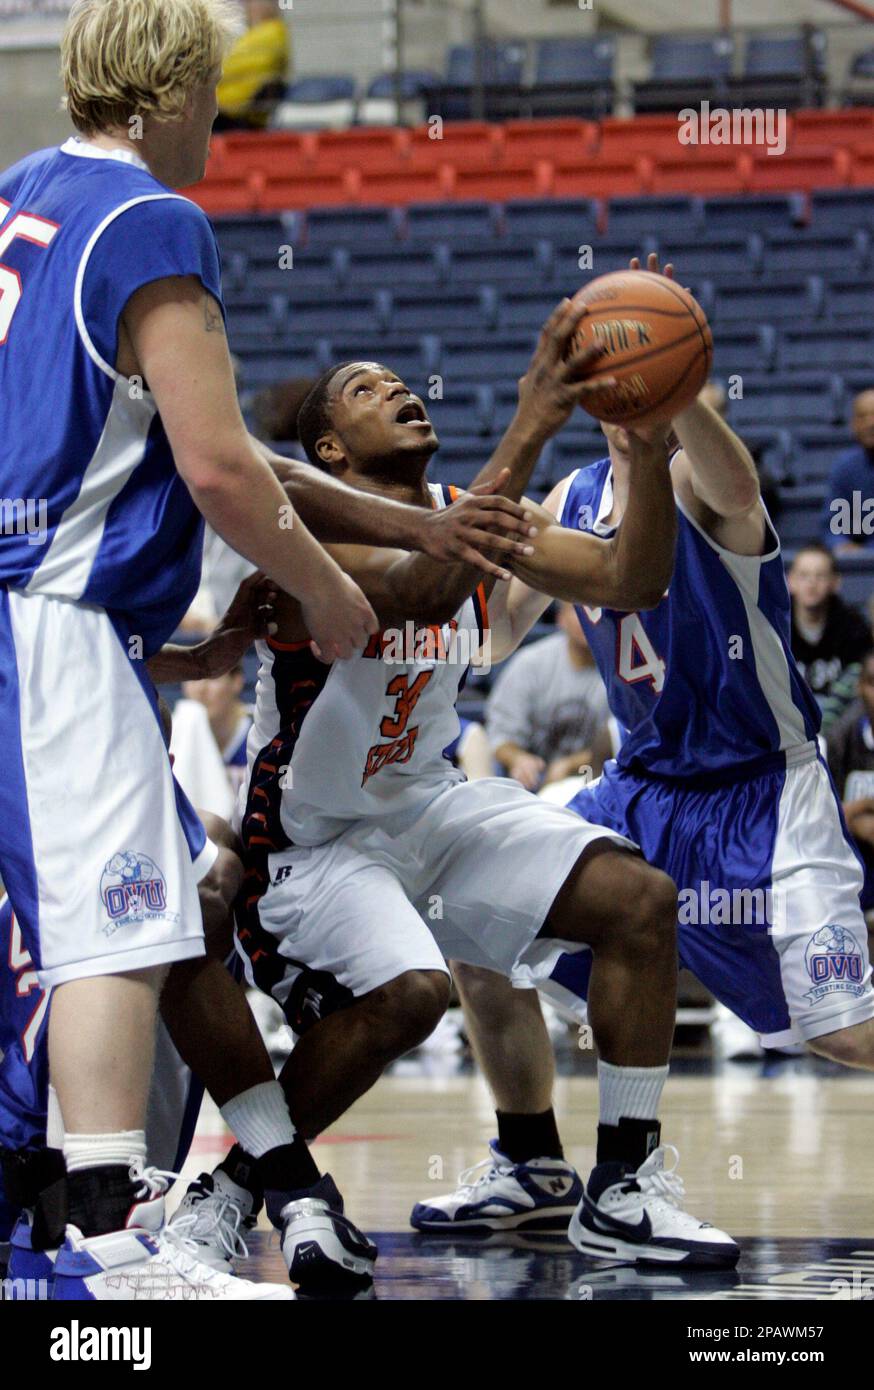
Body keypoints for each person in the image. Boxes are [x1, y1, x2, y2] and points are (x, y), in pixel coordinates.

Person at [0, 0, 527, 1301]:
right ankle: (116, 1239)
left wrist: (180, 656)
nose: (220, 126)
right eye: (214, 98)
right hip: (54, 622)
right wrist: (322, 592)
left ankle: (143, 1210)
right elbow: (225, 465)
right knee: (121, 926)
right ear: (175, 85)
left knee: (148, 908)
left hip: (64, 629)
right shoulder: (151, 221)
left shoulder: (21, 196)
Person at [219, 305, 740, 1274]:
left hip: (427, 805)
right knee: (411, 998)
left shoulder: (476, 505)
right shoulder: (302, 533)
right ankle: (236, 1189)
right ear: (330, 445)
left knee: (638, 901)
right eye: (371, 389)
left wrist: (646, 448)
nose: (403, 391)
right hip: (317, 841)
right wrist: (534, 416)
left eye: (403, 379)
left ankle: (620, 1185)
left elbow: (631, 582)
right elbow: (420, 583)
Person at [412, 255, 874, 1249]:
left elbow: (736, 483)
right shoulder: (568, 505)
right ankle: (531, 1161)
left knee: (841, 1030)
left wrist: (680, 398)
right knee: (474, 919)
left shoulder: (706, 487)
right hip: (639, 795)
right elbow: (489, 637)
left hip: (760, 797)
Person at [485, 603, 609, 791]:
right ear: (560, 618)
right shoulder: (530, 663)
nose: (587, 619)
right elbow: (500, 736)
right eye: (578, 611)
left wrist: (568, 765)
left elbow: (621, 741)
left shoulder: (618, 672)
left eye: (595, 611)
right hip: (532, 779)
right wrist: (518, 758)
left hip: (595, 776)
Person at [788, 542, 872, 731]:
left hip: (839, 728)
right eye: (804, 576)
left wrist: (823, 725)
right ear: (790, 581)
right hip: (790, 726)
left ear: (835, 582)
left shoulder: (853, 626)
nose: (811, 583)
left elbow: (859, 681)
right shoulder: (776, 627)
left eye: (820, 576)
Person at [826, 650, 874, 916]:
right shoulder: (839, 740)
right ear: (860, 687)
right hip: (853, 864)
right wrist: (859, 817)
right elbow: (821, 816)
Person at [215, 0, 289, 131]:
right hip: (229, 109)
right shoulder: (256, 35)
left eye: (251, 3)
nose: (246, 8)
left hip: (234, 115)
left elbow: (227, 66)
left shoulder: (271, 32)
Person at [822, 388, 874, 553]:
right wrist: (841, 545)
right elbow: (832, 527)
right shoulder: (845, 467)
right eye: (862, 417)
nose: (870, 423)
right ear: (853, 425)